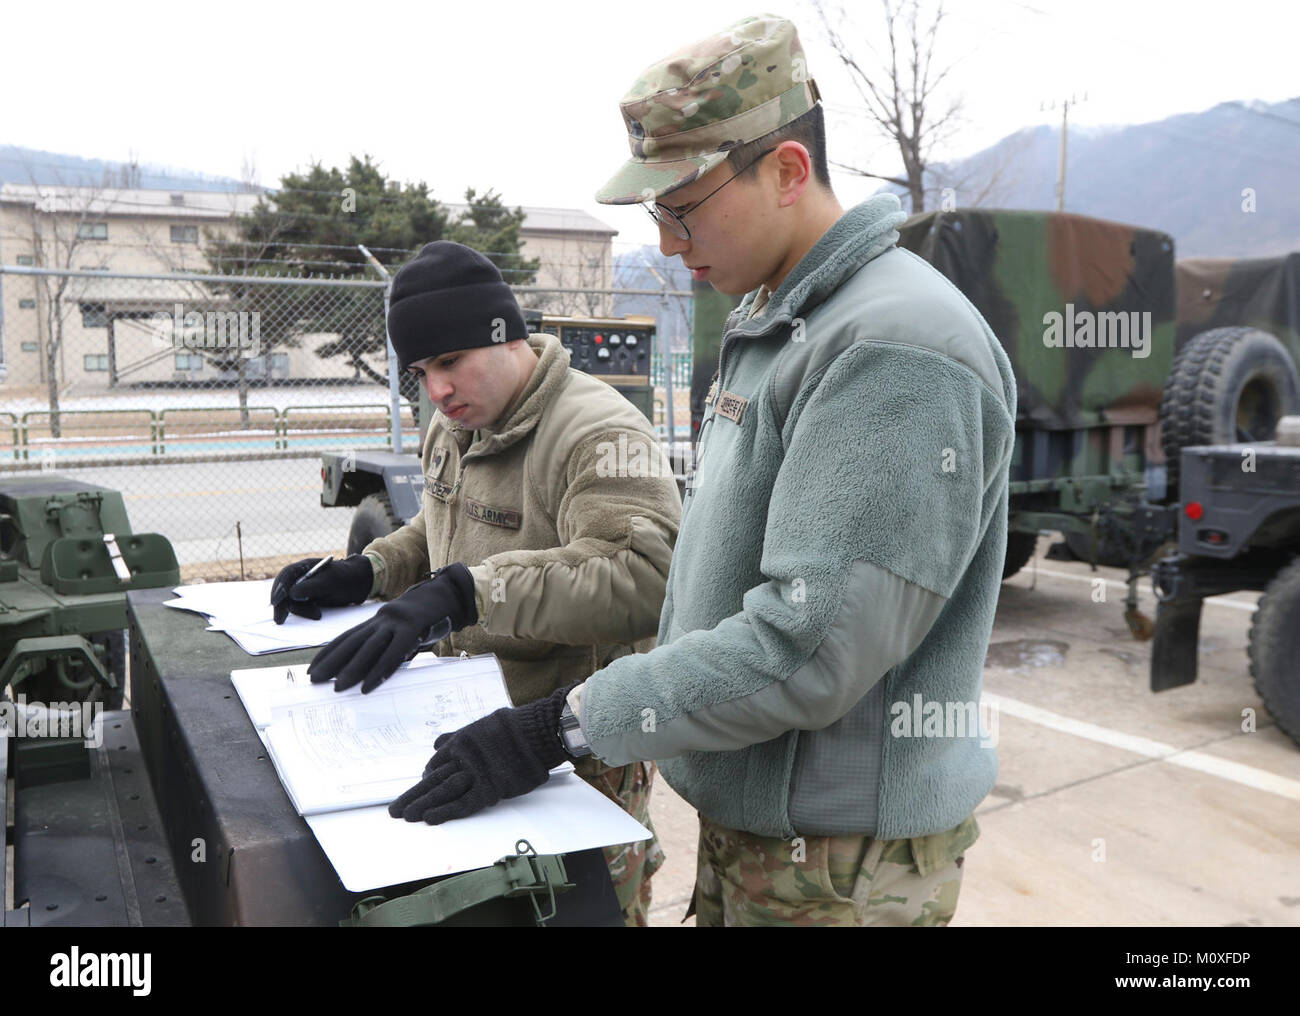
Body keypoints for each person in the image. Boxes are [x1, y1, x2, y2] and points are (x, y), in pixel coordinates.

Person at [384, 14, 1017, 927]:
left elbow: (808, 647)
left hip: (839, 860)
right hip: (768, 827)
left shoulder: (891, 346)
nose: (670, 241)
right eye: (656, 214)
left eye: (682, 208)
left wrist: (560, 725)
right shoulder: (781, 322)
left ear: (788, 172)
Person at [271, 241, 682, 926]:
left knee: (585, 913)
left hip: (569, 752)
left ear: (505, 336)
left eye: (451, 362)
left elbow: (645, 578)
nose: (436, 391)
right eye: (422, 371)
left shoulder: (597, 431)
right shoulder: (454, 426)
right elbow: (441, 532)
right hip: (466, 736)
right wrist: (368, 571)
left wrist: (469, 593)